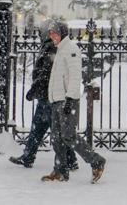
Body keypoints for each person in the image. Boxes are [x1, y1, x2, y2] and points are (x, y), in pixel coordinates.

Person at [41, 21, 106, 184]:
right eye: (50, 34)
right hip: (57, 100)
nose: (52, 36)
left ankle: (96, 160)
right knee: (56, 138)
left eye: (54, 33)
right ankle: (60, 171)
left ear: (62, 33)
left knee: (69, 136)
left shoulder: (71, 49)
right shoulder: (60, 50)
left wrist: (70, 99)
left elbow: (75, 76)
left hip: (66, 100)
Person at [9, 19, 76, 169]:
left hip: (49, 96)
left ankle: (70, 160)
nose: (44, 33)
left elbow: (46, 73)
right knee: (39, 129)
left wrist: (34, 89)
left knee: (55, 131)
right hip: (46, 96)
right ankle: (28, 157)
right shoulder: (51, 46)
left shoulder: (51, 48)